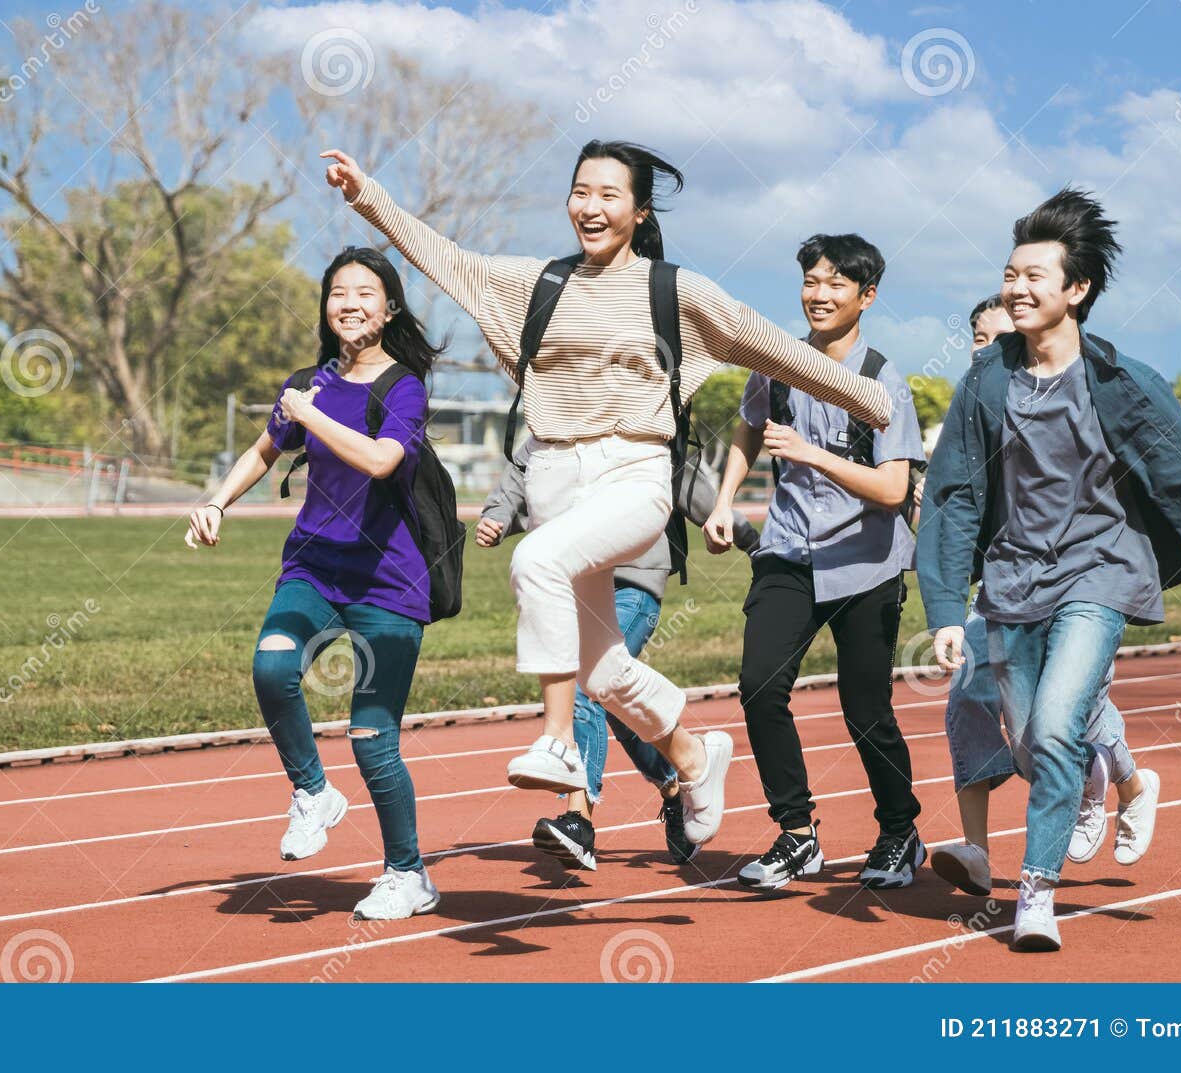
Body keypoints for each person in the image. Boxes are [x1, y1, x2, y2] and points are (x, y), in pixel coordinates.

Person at [323, 139, 891, 850]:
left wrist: (866, 398)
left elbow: (772, 344)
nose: (590, 207)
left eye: (608, 194)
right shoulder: (533, 285)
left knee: (536, 565)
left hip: (634, 471)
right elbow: (443, 257)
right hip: (554, 475)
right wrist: (367, 196)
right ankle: (691, 755)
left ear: (639, 210)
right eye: (579, 192)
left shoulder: (675, 292)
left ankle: (558, 741)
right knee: (600, 665)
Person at [920, 189, 1181, 950]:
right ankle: (1095, 778)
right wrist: (945, 605)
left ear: (1077, 290)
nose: (1017, 287)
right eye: (1011, 273)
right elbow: (953, 493)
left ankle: (1034, 897)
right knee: (1034, 745)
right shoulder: (987, 382)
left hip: (1099, 573)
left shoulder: (1121, 383)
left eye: (1036, 275)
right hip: (1011, 582)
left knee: (1062, 720)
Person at [185, 247, 444, 921]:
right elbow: (265, 449)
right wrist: (219, 500)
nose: (350, 303)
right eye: (338, 292)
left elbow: (382, 460)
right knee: (272, 666)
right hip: (314, 566)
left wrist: (309, 412)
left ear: (389, 307)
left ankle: (406, 873)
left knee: (372, 735)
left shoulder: (404, 386)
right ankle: (312, 792)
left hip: (388, 581)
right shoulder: (309, 382)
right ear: (325, 306)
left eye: (365, 292)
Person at [706, 233, 927, 891]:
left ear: (868, 295)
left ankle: (899, 831)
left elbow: (893, 488)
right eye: (811, 281)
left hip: (867, 563)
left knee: (866, 707)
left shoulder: (883, 379)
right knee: (759, 685)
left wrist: (814, 454)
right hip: (788, 550)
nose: (819, 294)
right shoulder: (777, 361)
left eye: (836, 283)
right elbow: (751, 425)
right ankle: (797, 834)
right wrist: (724, 498)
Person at [929, 296, 1152, 897]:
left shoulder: (1068, 399)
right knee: (968, 698)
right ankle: (977, 850)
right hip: (999, 585)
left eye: (996, 337)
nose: (985, 348)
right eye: (977, 337)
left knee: (1068, 709)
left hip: (1080, 578)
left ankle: (1123, 782)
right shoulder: (976, 406)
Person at [479, 447, 759, 869]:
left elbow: (688, 479)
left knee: (585, 686)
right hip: (573, 570)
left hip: (633, 578)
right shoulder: (562, 408)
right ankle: (676, 777)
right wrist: (499, 514)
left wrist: (752, 540)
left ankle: (578, 820)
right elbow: (528, 464)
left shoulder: (641, 409)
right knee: (609, 691)